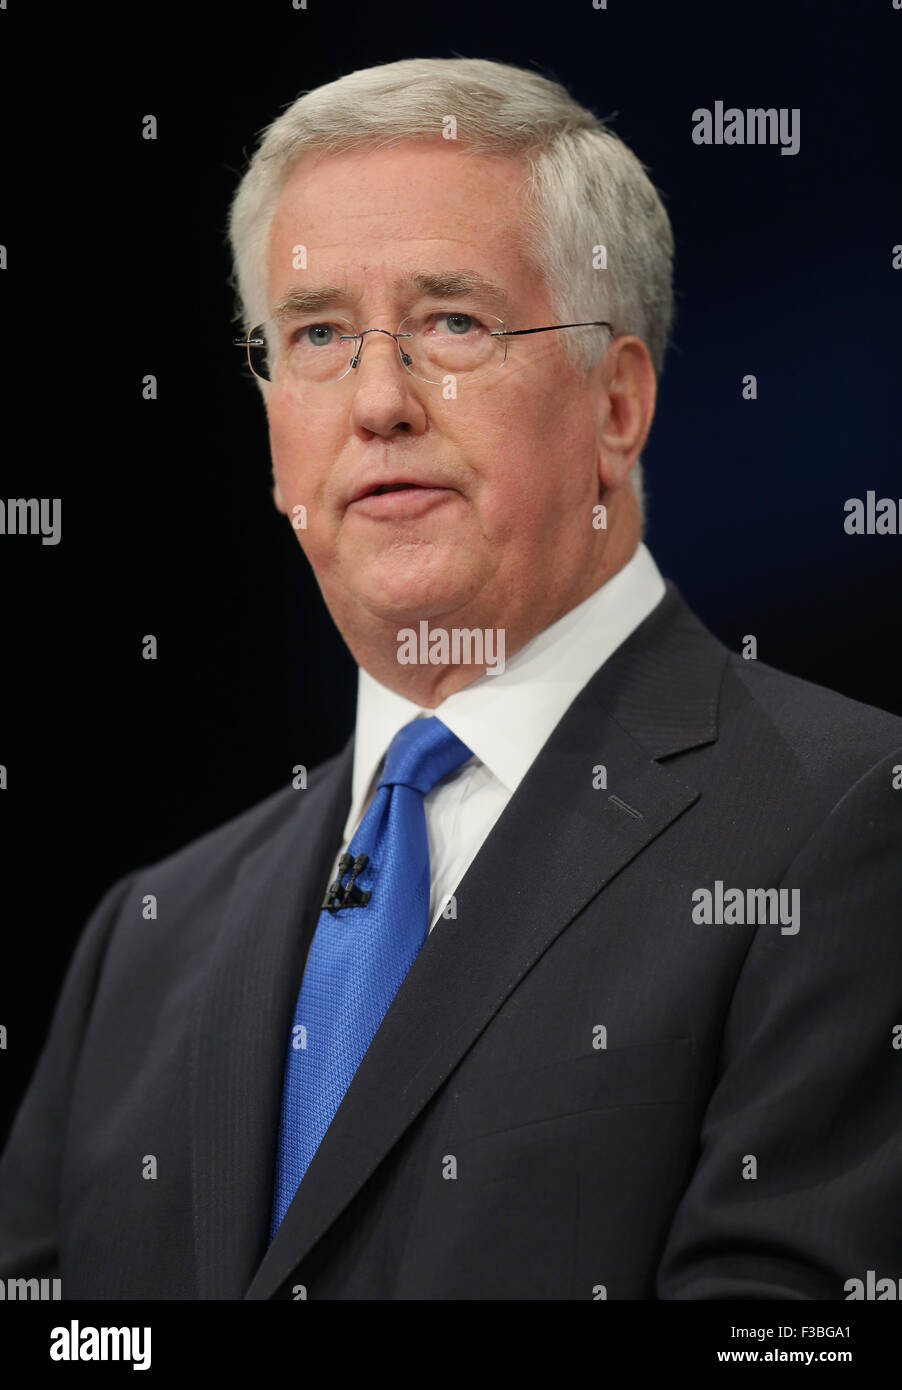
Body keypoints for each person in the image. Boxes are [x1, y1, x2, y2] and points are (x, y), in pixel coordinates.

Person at [1, 57, 900, 1301]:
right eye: (315, 333)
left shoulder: (847, 825)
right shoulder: (147, 943)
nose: (377, 401)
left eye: (452, 324)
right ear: (271, 438)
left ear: (616, 404)